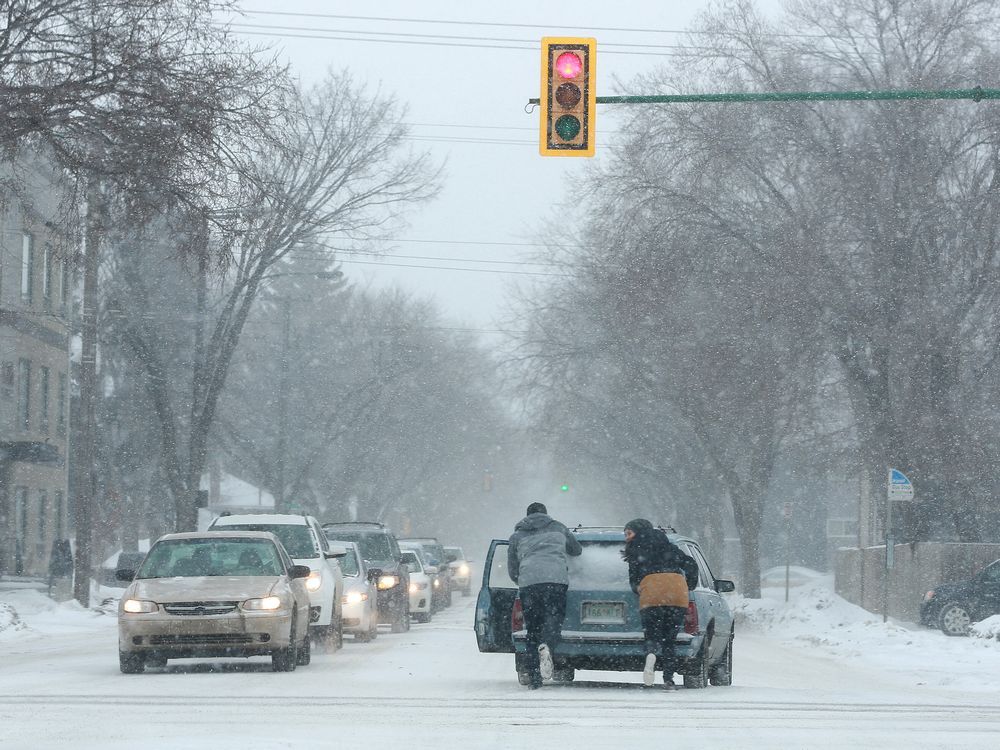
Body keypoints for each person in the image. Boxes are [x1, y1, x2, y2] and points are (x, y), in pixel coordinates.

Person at [507, 502, 582, 689]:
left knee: (532, 629)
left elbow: (512, 566)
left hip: (529, 583)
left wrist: (521, 580)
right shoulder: (559, 528)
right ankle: (547, 644)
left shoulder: (516, 536)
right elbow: (576, 550)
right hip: (555, 580)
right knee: (554, 620)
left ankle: (534, 678)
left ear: (527, 516)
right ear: (546, 514)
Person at [622, 518, 693, 690]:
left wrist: (638, 588)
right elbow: (690, 564)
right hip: (676, 591)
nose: (626, 538)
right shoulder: (669, 545)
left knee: (652, 634)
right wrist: (689, 585)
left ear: (638, 532)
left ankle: (651, 653)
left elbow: (634, 580)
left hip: (652, 591)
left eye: (628, 533)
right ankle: (668, 679)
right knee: (670, 640)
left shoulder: (635, 549)